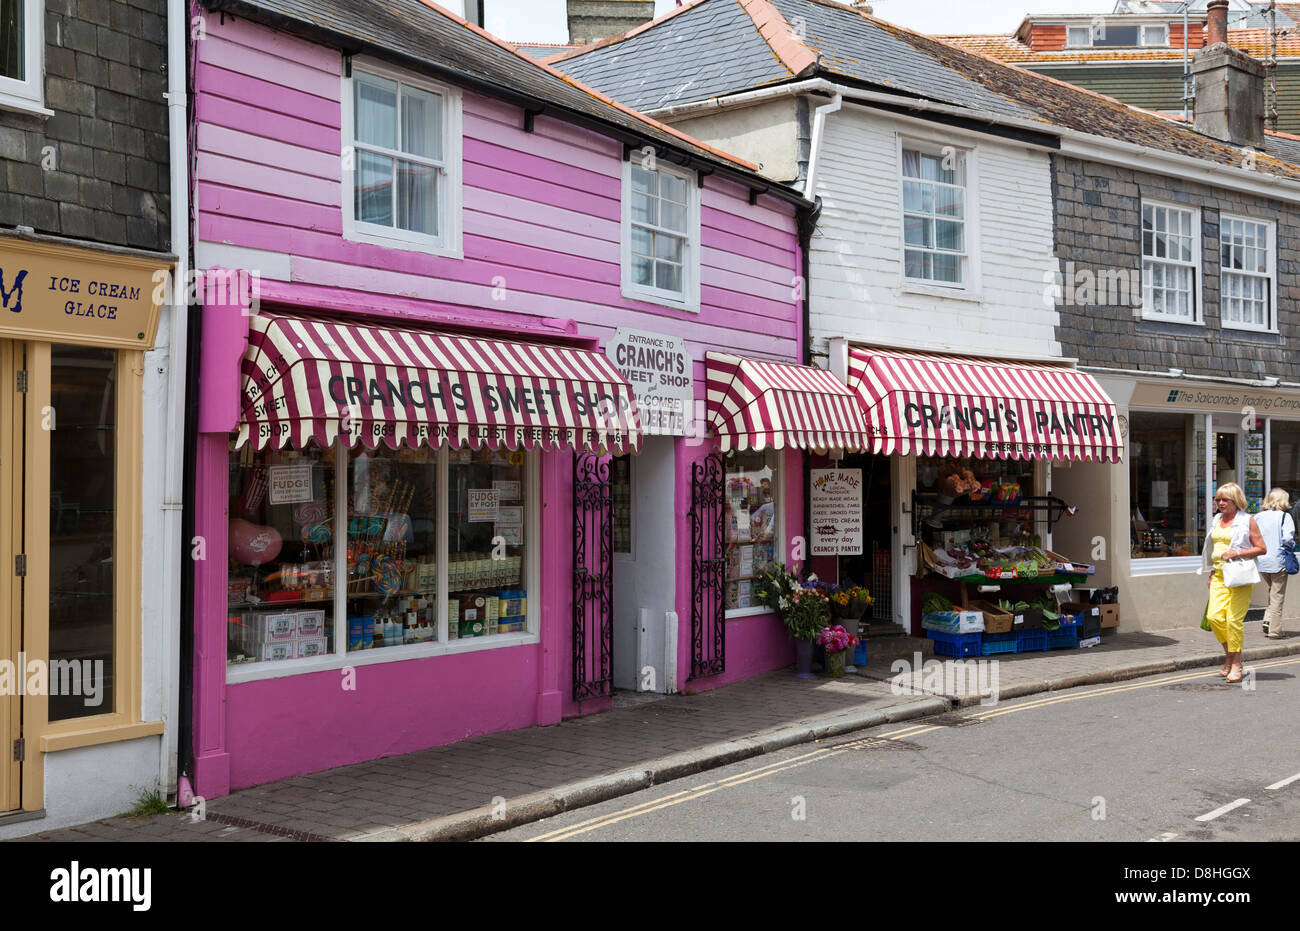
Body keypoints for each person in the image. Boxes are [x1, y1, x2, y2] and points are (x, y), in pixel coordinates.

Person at [1200, 483, 1267, 683]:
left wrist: (1237, 552)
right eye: (1218, 499)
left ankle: (1236, 664)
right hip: (1219, 575)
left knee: (1233, 620)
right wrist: (1212, 572)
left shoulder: (1248, 521)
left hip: (1239, 577)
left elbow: (1261, 548)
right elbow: (1215, 546)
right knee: (1214, 618)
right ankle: (1230, 655)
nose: (1220, 503)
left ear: (1236, 501)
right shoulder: (1216, 519)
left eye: (1225, 500)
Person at [1256, 487, 1295, 640]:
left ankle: (1267, 620)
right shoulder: (1285, 517)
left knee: (1272, 592)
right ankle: (1275, 630)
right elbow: (1287, 539)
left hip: (1262, 561)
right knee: (1278, 595)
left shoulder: (1258, 517)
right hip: (1278, 561)